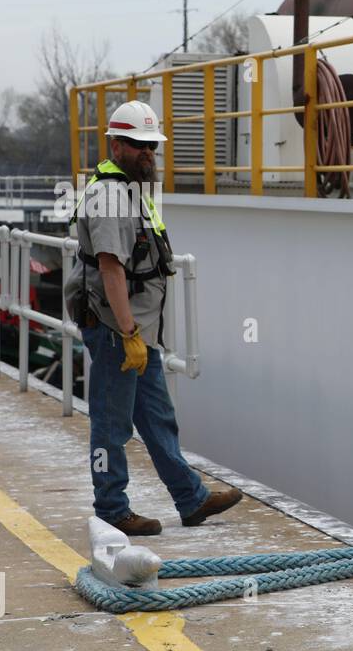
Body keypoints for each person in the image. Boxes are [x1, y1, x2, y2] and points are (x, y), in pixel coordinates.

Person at [63, 100, 241, 537]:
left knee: (158, 417)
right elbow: (109, 268)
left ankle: (191, 499)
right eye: (139, 145)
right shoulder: (108, 196)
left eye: (152, 146)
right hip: (115, 330)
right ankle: (111, 509)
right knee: (111, 423)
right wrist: (127, 333)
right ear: (116, 144)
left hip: (138, 330)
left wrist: (139, 334)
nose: (148, 153)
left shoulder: (131, 189)